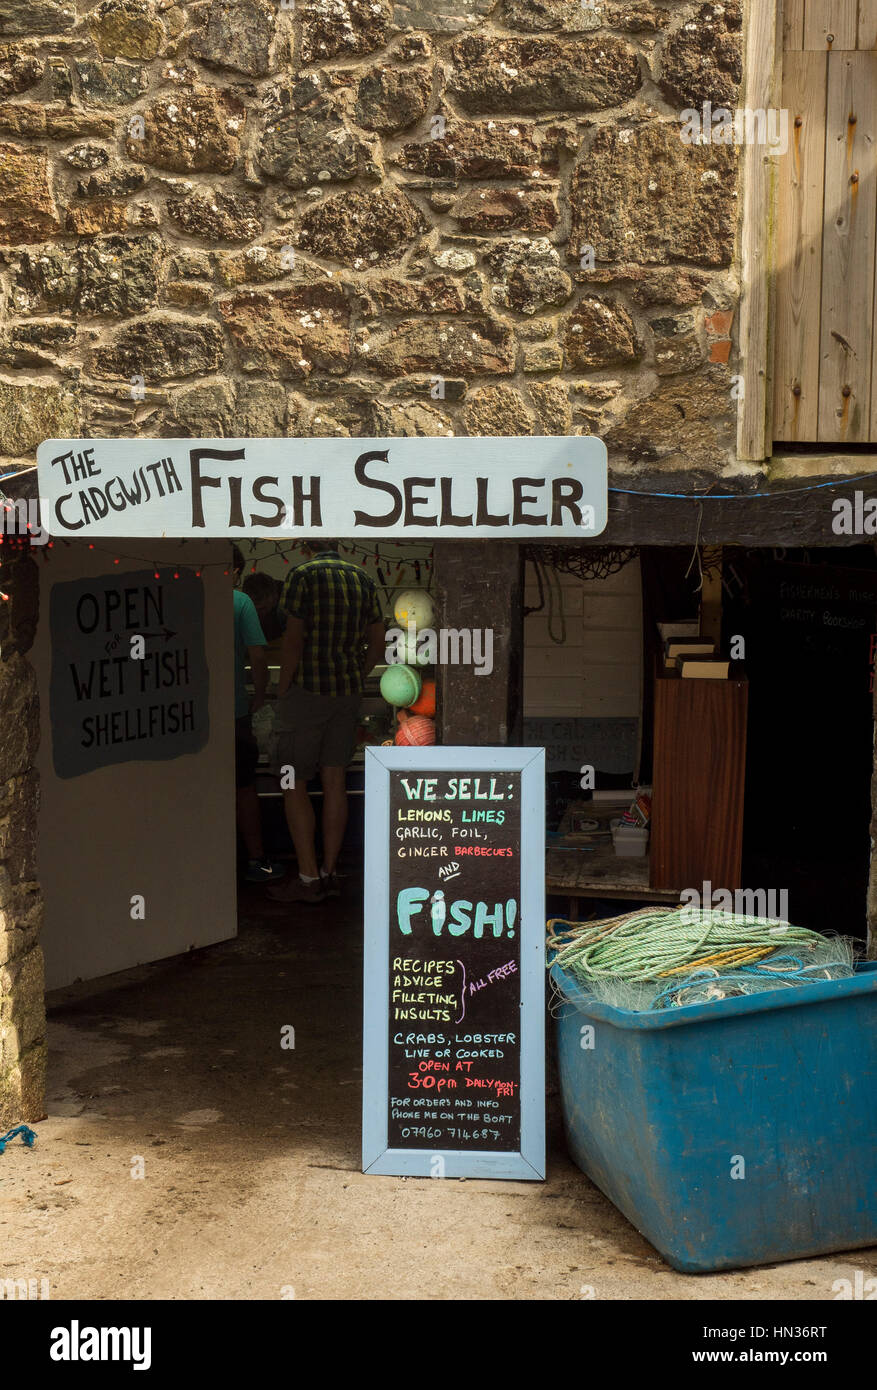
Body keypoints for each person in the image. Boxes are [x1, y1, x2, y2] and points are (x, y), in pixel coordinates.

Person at [268, 539, 385, 906]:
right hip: (346, 694)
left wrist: (283, 687)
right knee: (335, 780)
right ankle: (330, 872)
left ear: (305, 545)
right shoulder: (362, 578)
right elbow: (378, 641)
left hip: (306, 692)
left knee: (293, 781)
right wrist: (355, 673)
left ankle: (307, 879)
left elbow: (293, 639)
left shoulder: (301, 575)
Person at [232, 546, 284, 884]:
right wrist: (261, 695)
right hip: (234, 711)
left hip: (188, 716)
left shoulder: (181, 596)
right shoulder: (240, 603)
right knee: (244, 785)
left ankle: (203, 861)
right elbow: (258, 656)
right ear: (236, 570)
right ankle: (256, 861)